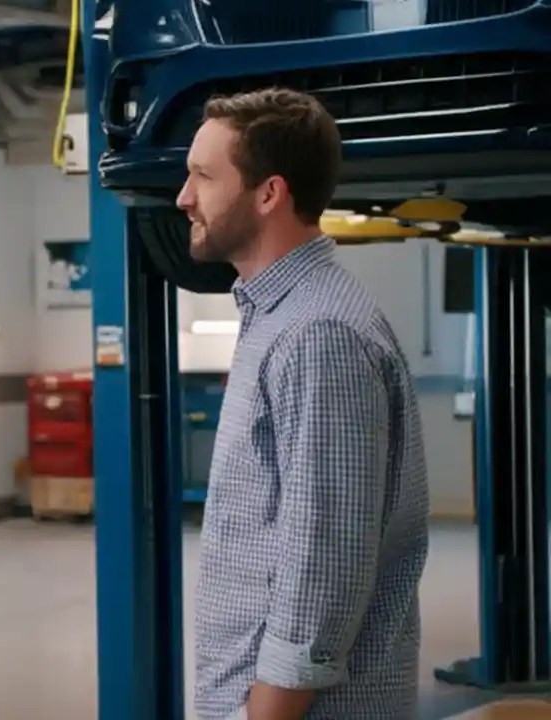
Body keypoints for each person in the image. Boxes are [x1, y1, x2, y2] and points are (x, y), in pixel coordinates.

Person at [177, 87, 430, 719]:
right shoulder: (276, 315)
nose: (184, 198)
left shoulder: (318, 334)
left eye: (203, 177)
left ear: (269, 194)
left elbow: (325, 566)